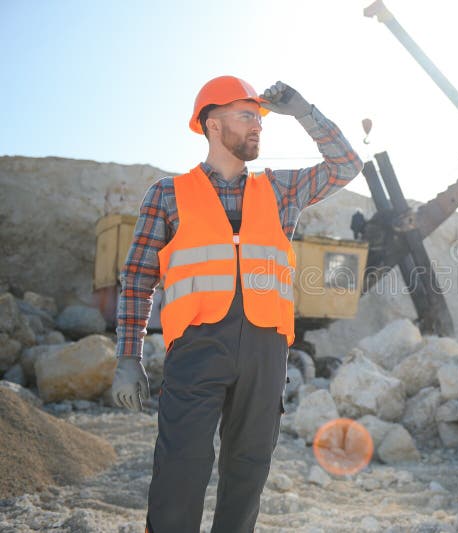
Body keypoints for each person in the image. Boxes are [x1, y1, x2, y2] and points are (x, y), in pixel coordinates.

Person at [109, 75, 362, 533]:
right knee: (180, 466)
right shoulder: (169, 194)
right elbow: (138, 281)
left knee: (248, 470)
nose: (257, 127)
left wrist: (306, 112)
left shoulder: (281, 190)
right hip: (196, 348)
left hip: (266, 350)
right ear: (212, 124)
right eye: (247, 116)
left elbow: (346, 164)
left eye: (260, 119)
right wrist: (128, 357)